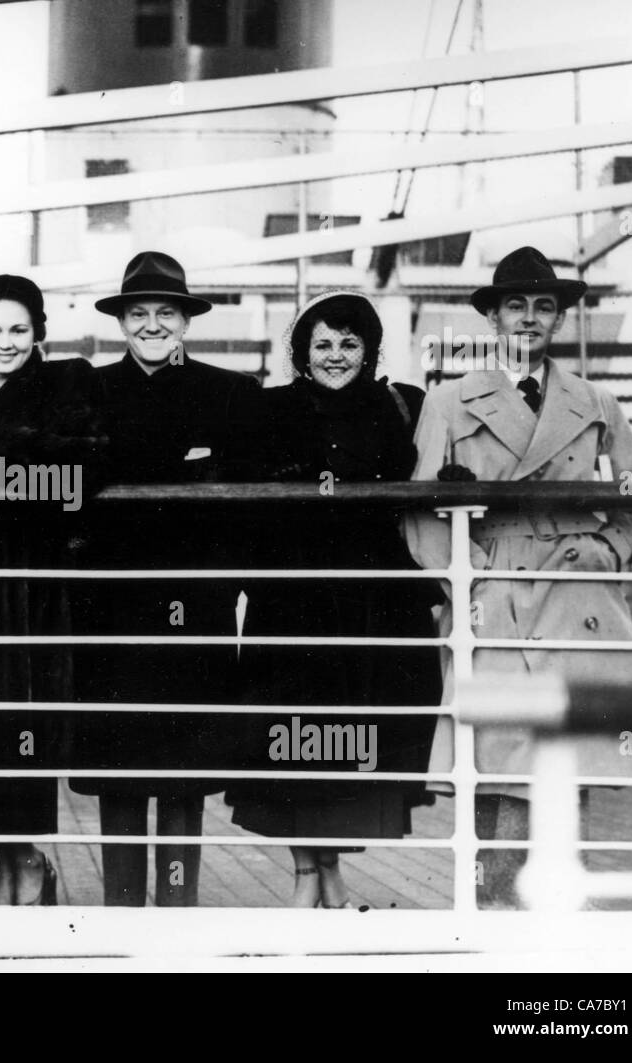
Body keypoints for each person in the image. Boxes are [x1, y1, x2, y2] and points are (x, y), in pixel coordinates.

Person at [405, 246, 632, 908]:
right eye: (517, 305)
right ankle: (495, 920)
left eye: (544, 306)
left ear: (557, 320)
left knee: (566, 767)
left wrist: (606, 552)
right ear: (494, 317)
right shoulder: (447, 401)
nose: (530, 318)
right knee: (499, 770)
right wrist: (465, 584)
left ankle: (552, 926)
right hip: (496, 594)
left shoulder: (597, 403)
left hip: (577, 597)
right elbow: (417, 513)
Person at [226, 290, 442, 909]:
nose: (336, 356)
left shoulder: (403, 406)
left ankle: (329, 877)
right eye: (323, 344)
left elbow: (428, 478)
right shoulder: (269, 410)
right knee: (295, 738)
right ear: (302, 350)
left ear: (370, 349)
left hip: (380, 604)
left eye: (350, 344)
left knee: (359, 743)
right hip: (295, 601)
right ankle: (308, 877)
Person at [69, 251, 262, 907]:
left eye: (166, 313)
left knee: (184, 777)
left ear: (186, 321)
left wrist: (217, 582)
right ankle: (121, 914)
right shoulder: (88, 391)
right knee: (120, 775)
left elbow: (245, 506)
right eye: (139, 313)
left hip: (194, 611)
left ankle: (177, 917)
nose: (152, 324)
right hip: (112, 613)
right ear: (122, 320)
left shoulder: (229, 393)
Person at [0, 274, 107, 905]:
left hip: (31, 583)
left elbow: (79, 476)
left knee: (20, 723)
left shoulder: (67, 380)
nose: (4, 342)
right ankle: (12, 869)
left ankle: (30, 864)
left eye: (17, 329)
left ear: (39, 332)